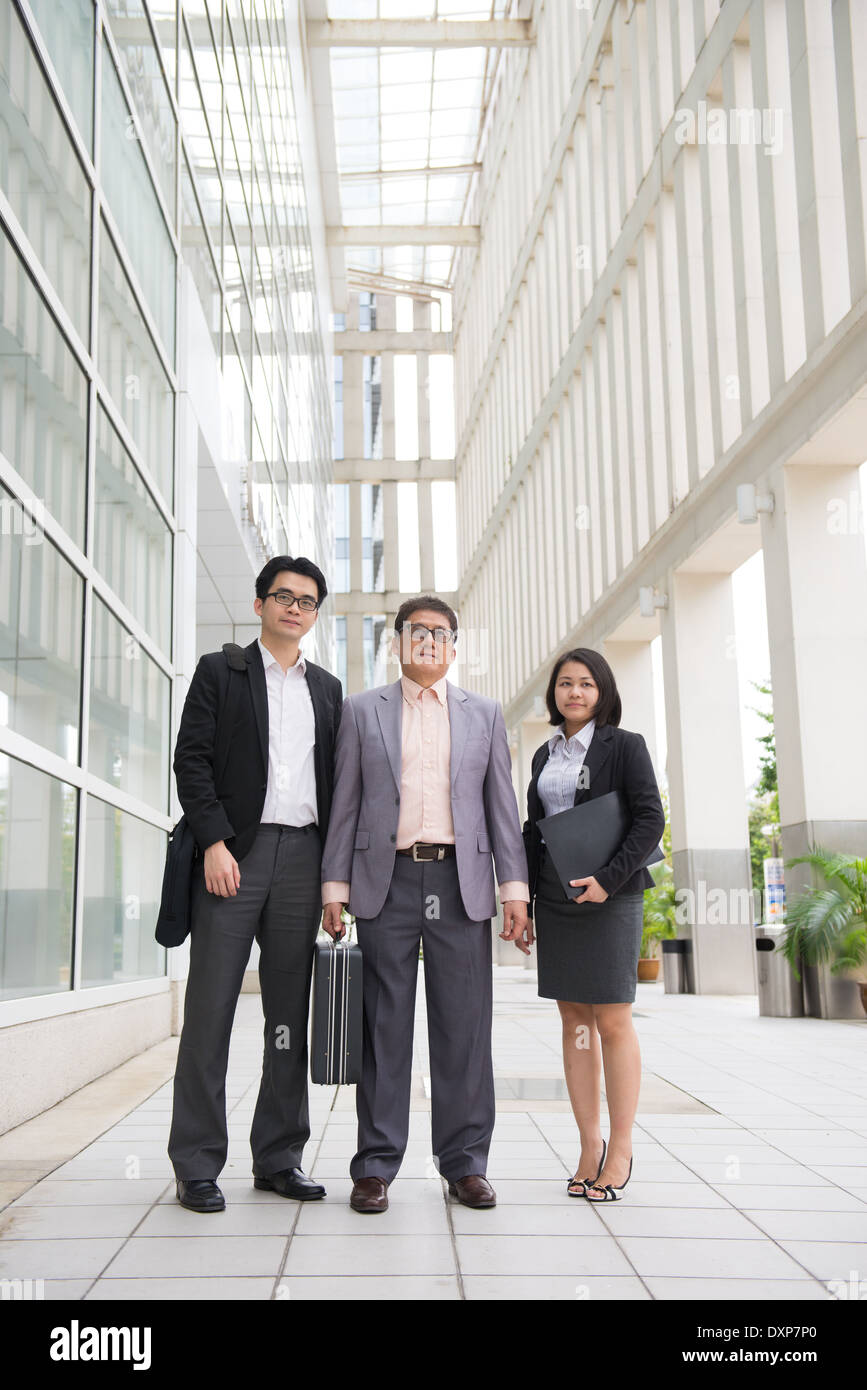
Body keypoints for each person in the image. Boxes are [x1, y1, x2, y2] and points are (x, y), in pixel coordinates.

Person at [320, 595, 530, 1214]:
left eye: (440, 633)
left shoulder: (484, 715)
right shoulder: (361, 712)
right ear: (399, 642)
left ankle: (465, 1163)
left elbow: (501, 809)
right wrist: (336, 889)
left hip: (459, 886)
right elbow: (345, 805)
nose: (429, 642)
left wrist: (513, 889)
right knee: (383, 1027)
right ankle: (376, 1166)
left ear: (454, 646)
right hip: (384, 882)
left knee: (463, 1029)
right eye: (417, 632)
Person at [168, 556, 343, 1212]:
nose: (293, 607)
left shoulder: (326, 689)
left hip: (304, 857)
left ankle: (278, 1156)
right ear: (260, 604)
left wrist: (334, 881)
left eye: (305, 600)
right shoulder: (222, 672)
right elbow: (191, 760)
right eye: (282, 596)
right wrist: (212, 840)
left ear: (315, 615)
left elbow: (338, 786)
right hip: (233, 857)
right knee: (210, 1010)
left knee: (288, 1017)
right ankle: (196, 1163)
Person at [515, 648, 664, 1204]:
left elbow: (650, 819)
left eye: (585, 684)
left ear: (602, 691)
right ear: (554, 693)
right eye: (565, 684)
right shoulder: (543, 755)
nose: (574, 693)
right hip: (556, 895)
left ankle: (621, 1149)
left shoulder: (624, 747)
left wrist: (608, 877)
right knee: (573, 1019)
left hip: (610, 894)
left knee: (614, 1020)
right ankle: (588, 1146)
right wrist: (525, 900)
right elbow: (537, 830)